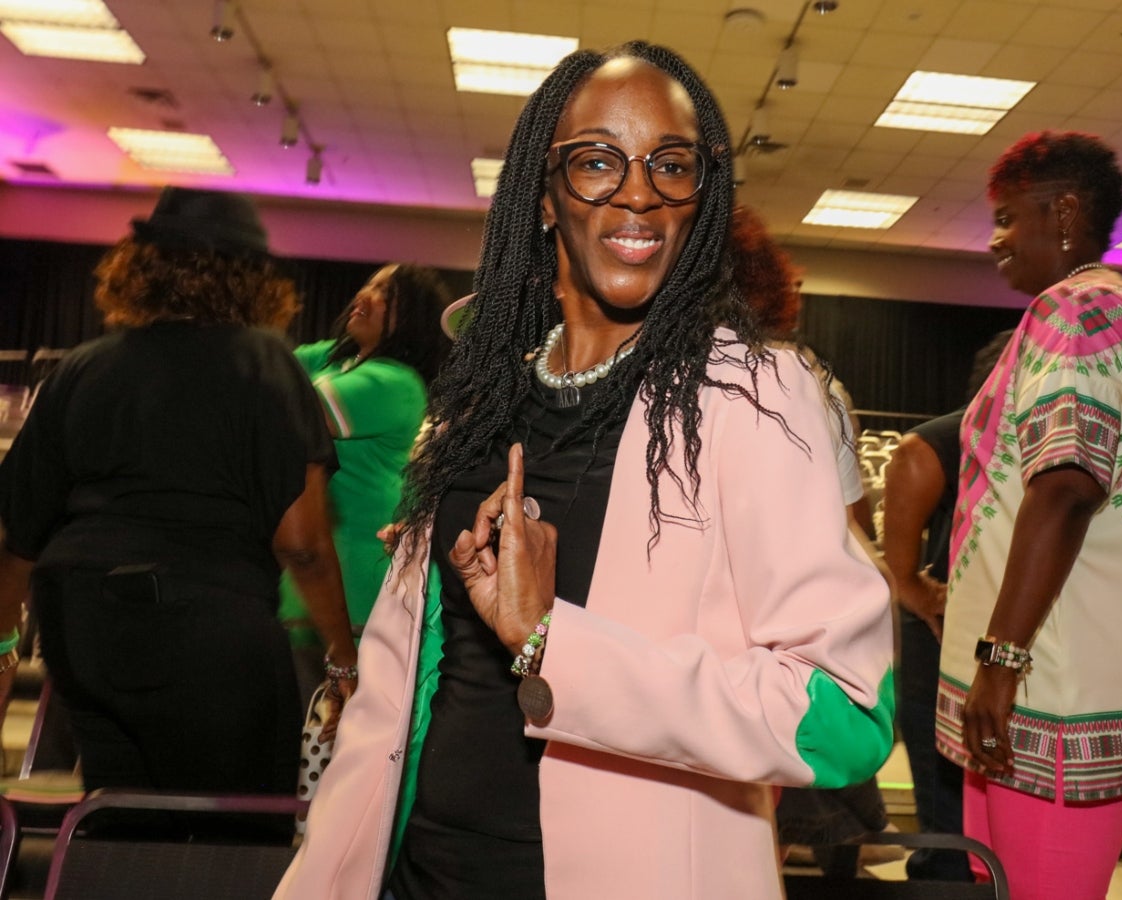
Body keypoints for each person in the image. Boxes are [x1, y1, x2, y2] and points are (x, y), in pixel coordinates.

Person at [277, 41, 894, 900]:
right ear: (541, 191)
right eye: (598, 161)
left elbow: (846, 717)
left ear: (700, 199)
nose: (638, 191)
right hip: (414, 869)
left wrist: (552, 644)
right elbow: (402, 687)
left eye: (671, 165)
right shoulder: (477, 397)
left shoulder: (756, 398)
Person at [0, 187, 358, 796]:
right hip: (208, 618)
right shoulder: (267, 365)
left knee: (118, 807)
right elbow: (301, 544)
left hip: (82, 617)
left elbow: (18, 531)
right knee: (233, 824)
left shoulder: (83, 366)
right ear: (252, 278)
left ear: (141, 269)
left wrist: (6, 641)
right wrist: (342, 657)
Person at [935, 131, 1122, 900]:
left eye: (1010, 218)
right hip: (1048, 692)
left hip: (1052, 693)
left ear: (1066, 211)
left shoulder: (1079, 310)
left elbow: (1066, 485)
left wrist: (999, 663)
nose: (997, 240)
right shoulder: (1103, 308)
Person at [728, 204, 899, 873]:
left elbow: (847, 514)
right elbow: (851, 517)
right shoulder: (811, 383)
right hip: (797, 624)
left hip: (761, 625)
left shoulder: (787, 383)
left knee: (758, 805)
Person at [279, 263, 450, 696]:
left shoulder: (396, 382)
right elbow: (270, 370)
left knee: (333, 733)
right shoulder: (336, 361)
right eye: (368, 284)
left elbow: (288, 408)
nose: (365, 294)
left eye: (385, 293)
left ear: (408, 318)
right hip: (307, 575)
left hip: (353, 582)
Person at [883, 330, 1010, 882]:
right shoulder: (940, 443)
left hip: (1017, 652)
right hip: (945, 649)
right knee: (949, 829)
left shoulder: (1053, 445)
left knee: (1003, 828)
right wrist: (920, 592)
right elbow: (898, 569)